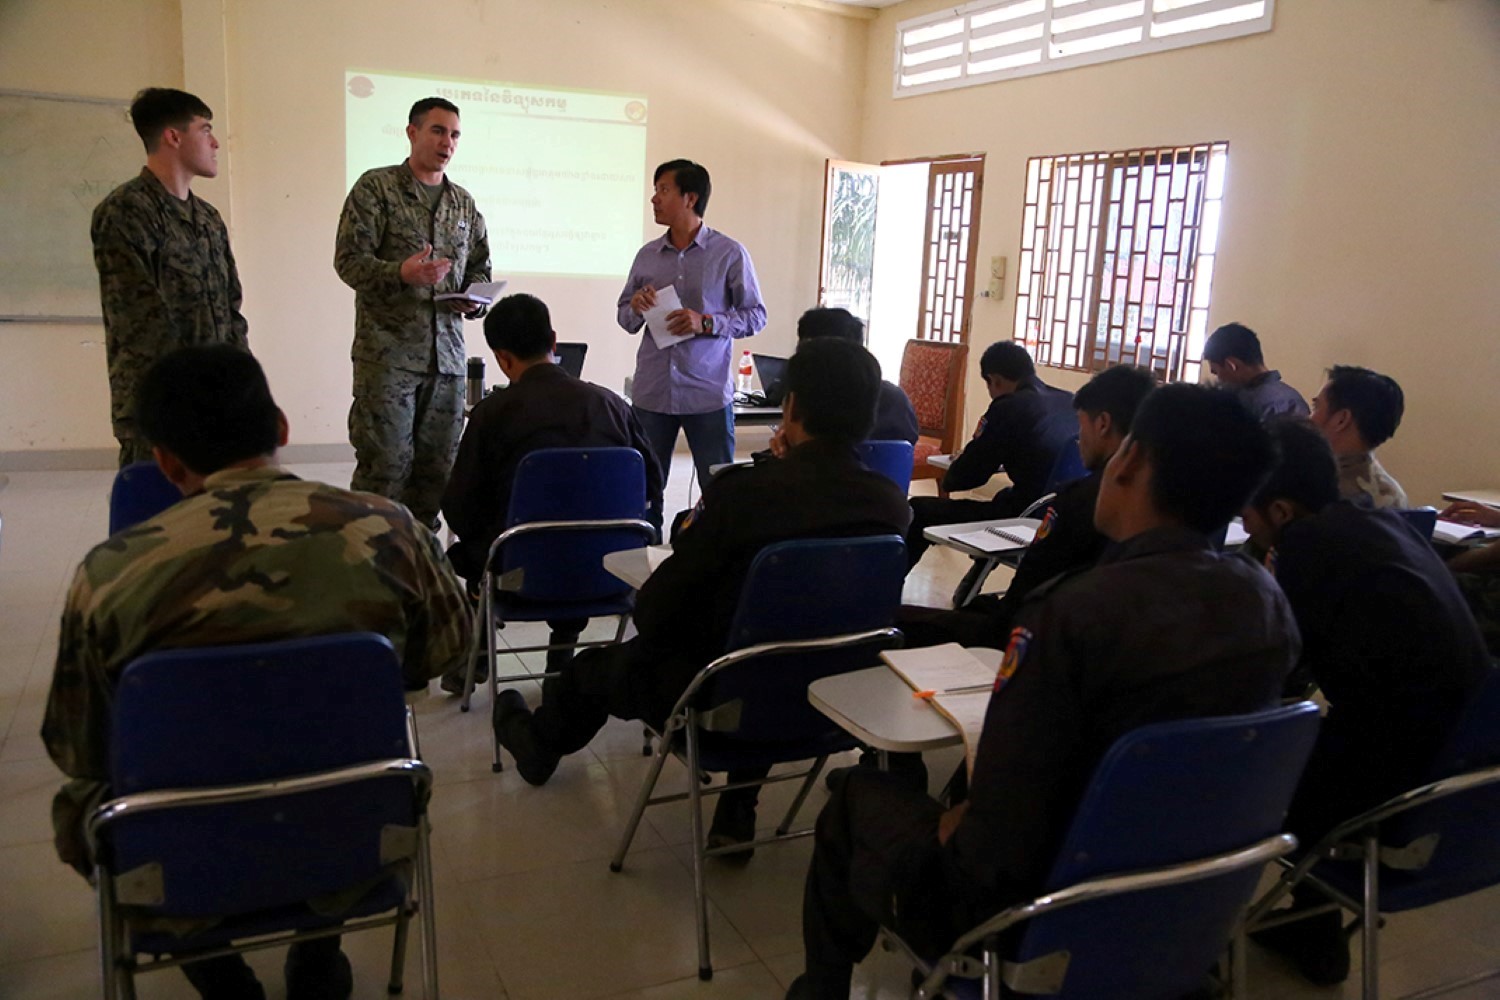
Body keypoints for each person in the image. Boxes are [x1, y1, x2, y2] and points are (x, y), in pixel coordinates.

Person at [788, 383, 1300, 1000]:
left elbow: (996, 837)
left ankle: (819, 990)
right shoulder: (1267, 604)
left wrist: (962, 823)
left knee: (855, 800)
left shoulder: (1075, 617)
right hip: (1176, 896)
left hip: (1030, 917)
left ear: (1130, 461)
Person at [41, 345, 471, 1000]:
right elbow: (446, 652)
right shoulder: (391, 529)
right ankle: (318, 950)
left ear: (164, 460)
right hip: (353, 839)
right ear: (281, 428)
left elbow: (78, 747)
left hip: (179, 863)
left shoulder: (109, 575)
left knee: (82, 805)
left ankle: (217, 974)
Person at [493, 338, 910, 852]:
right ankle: (737, 808)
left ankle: (535, 748)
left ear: (792, 406)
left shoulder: (744, 495)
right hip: (831, 696)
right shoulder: (891, 505)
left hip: (722, 697)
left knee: (591, 672)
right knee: (781, 640)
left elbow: (656, 610)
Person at [1242, 421, 1489, 986]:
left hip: (1401, 782)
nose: (1245, 522)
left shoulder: (1306, 547)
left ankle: (1193, 937)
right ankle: (1313, 926)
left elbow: (1278, 670)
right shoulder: (1382, 524)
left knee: (1231, 776)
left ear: (1280, 510)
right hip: (1468, 773)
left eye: (1247, 508)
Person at [439, 293, 664, 692]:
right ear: (554, 342)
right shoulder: (612, 405)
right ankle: (561, 656)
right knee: (577, 530)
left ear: (502, 358)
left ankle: (476, 658)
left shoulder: (492, 414)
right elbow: (653, 485)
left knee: (478, 551)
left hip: (524, 575)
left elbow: (460, 509)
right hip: (610, 571)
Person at [897, 364, 1157, 648]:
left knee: (894, 623)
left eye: (1082, 428)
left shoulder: (1082, 501)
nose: (1079, 440)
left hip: (1036, 636)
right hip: (1107, 639)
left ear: (1103, 424)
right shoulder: (1162, 499)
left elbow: (1027, 591)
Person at [335, 96, 491, 529]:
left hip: (448, 363)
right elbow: (348, 261)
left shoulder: (462, 203)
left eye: (455, 135)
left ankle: (419, 568)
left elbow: (480, 266)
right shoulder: (376, 189)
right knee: (385, 468)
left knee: (437, 474)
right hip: (388, 358)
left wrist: (473, 299)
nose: (447, 143)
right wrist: (400, 273)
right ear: (412, 132)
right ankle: (368, 567)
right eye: (438, 131)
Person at [92, 87, 249, 468]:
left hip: (216, 402)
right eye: (205, 130)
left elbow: (230, 310)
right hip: (161, 405)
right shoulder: (126, 211)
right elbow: (140, 323)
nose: (215, 143)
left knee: (213, 519)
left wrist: (242, 387)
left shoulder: (208, 219)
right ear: (173, 137)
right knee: (159, 519)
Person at [617, 159, 767, 489]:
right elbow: (624, 317)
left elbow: (756, 315)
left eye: (663, 190)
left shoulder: (729, 253)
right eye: (654, 191)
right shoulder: (647, 256)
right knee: (644, 490)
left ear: (690, 198)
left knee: (718, 491)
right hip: (653, 392)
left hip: (707, 394)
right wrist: (636, 306)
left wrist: (706, 322)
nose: (654, 199)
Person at [904, 341, 1075, 570]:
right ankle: (973, 581)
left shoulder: (1007, 408)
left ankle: (886, 590)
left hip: (1026, 518)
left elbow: (965, 478)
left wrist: (958, 465)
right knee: (1005, 496)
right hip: (1065, 515)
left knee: (919, 509)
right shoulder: (1069, 401)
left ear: (994, 380)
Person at [1308, 364, 1408, 509]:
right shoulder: (1394, 495)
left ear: (1341, 420)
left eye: (1315, 408)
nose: (1308, 419)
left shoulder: (1319, 492)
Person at [1203, 322, 1309, 421]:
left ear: (1231, 366)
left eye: (1216, 372)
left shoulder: (1248, 406)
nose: (1219, 380)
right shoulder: (1294, 398)